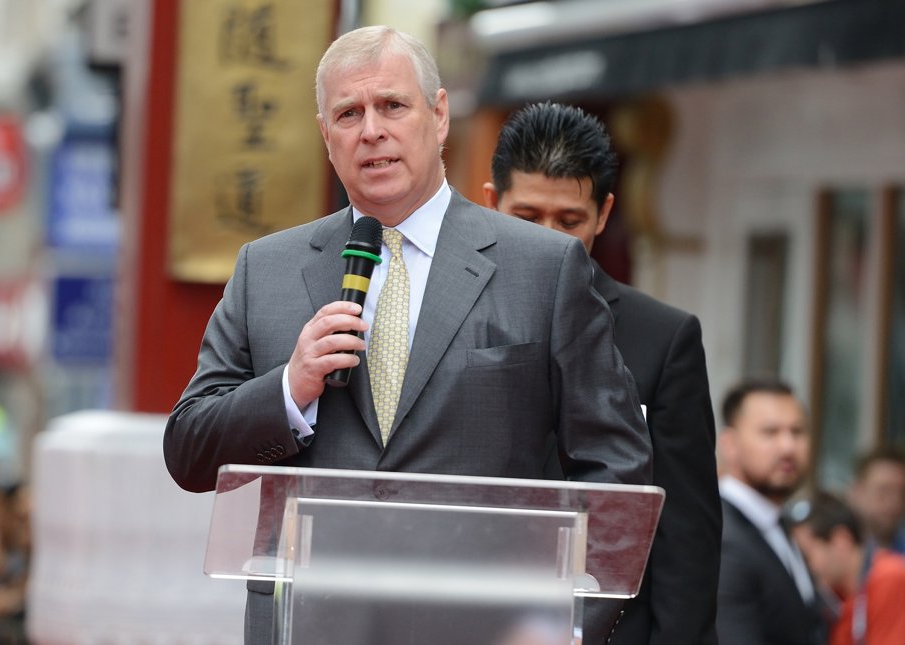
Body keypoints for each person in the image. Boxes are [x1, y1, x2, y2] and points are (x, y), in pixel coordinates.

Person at [164, 25, 651, 645]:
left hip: (489, 628)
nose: (372, 130)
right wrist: (290, 386)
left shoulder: (543, 267)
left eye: (392, 105)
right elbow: (188, 449)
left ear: (439, 116)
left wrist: (559, 622)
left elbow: (617, 467)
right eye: (349, 113)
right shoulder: (269, 270)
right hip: (312, 624)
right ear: (326, 136)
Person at [483, 101, 721, 645]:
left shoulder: (663, 339)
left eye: (569, 222)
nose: (548, 240)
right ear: (491, 202)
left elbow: (686, 540)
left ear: (605, 213)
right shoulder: (446, 318)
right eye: (527, 218)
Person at [716, 377, 827, 645]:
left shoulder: (776, 522)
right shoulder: (721, 537)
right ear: (730, 444)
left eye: (797, 432)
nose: (788, 447)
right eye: (770, 432)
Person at [792, 490, 905, 645]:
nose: (806, 568)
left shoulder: (890, 576)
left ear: (841, 540)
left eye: (807, 556)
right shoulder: (836, 597)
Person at [847, 447, 905, 554]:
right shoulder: (834, 549)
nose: (895, 500)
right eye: (884, 491)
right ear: (857, 492)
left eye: (901, 492)